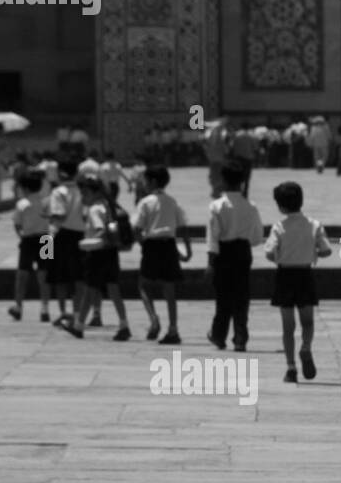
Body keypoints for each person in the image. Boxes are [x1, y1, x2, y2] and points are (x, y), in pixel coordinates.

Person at [264, 180, 331, 384]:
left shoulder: (279, 227)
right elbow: (326, 250)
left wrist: (280, 258)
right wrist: (313, 252)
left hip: (284, 276)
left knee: (288, 326)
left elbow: (269, 252)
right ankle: (306, 348)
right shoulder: (314, 225)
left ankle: (291, 367)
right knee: (307, 322)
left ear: (280, 205)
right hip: (305, 275)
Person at [64, 173, 130, 341]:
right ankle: (123, 324)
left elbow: (100, 229)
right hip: (110, 252)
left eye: (84, 193)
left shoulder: (93, 208)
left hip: (93, 252)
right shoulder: (108, 204)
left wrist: (89, 243)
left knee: (86, 289)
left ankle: (77, 324)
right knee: (113, 290)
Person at [206, 164, 262, 353]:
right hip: (243, 252)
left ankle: (218, 335)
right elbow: (256, 238)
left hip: (224, 252)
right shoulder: (251, 206)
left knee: (223, 298)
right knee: (241, 296)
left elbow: (213, 237)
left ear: (223, 181)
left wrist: (210, 262)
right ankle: (240, 338)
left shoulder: (216, 206)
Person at [133, 165, 191, 344]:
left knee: (143, 284)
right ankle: (173, 328)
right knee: (169, 289)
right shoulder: (173, 201)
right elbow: (182, 228)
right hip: (169, 245)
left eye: (145, 180)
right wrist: (187, 251)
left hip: (152, 244)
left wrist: (143, 244)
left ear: (153, 182)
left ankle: (153, 319)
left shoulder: (145, 202)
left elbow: (137, 228)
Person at [45, 159, 88, 327]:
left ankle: (63, 312)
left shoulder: (58, 191)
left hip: (59, 237)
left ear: (62, 173)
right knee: (79, 277)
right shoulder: (83, 190)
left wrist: (48, 216)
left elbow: (59, 215)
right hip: (81, 235)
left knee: (58, 276)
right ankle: (79, 313)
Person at [9, 171, 52, 323]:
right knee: (44, 275)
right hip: (46, 239)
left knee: (22, 275)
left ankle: (18, 306)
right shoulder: (47, 202)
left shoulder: (21, 203)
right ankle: (45, 308)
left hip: (28, 240)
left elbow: (17, 224)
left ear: (25, 188)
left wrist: (22, 237)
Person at [204, 119, 230, 198]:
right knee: (218, 175)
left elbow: (207, 149)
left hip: (213, 160)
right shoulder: (220, 138)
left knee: (214, 175)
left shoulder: (211, 138)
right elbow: (226, 150)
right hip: (218, 160)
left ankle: (216, 189)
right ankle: (217, 189)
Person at [230, 124, 259, 195]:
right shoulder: (251, 136)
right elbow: (255, 148)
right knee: (247, 179)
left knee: (237, 177)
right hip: (248, 159)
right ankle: (245, 194)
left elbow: (232, 146)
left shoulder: (236, 135)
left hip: (238, 159)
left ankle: (238, 192)